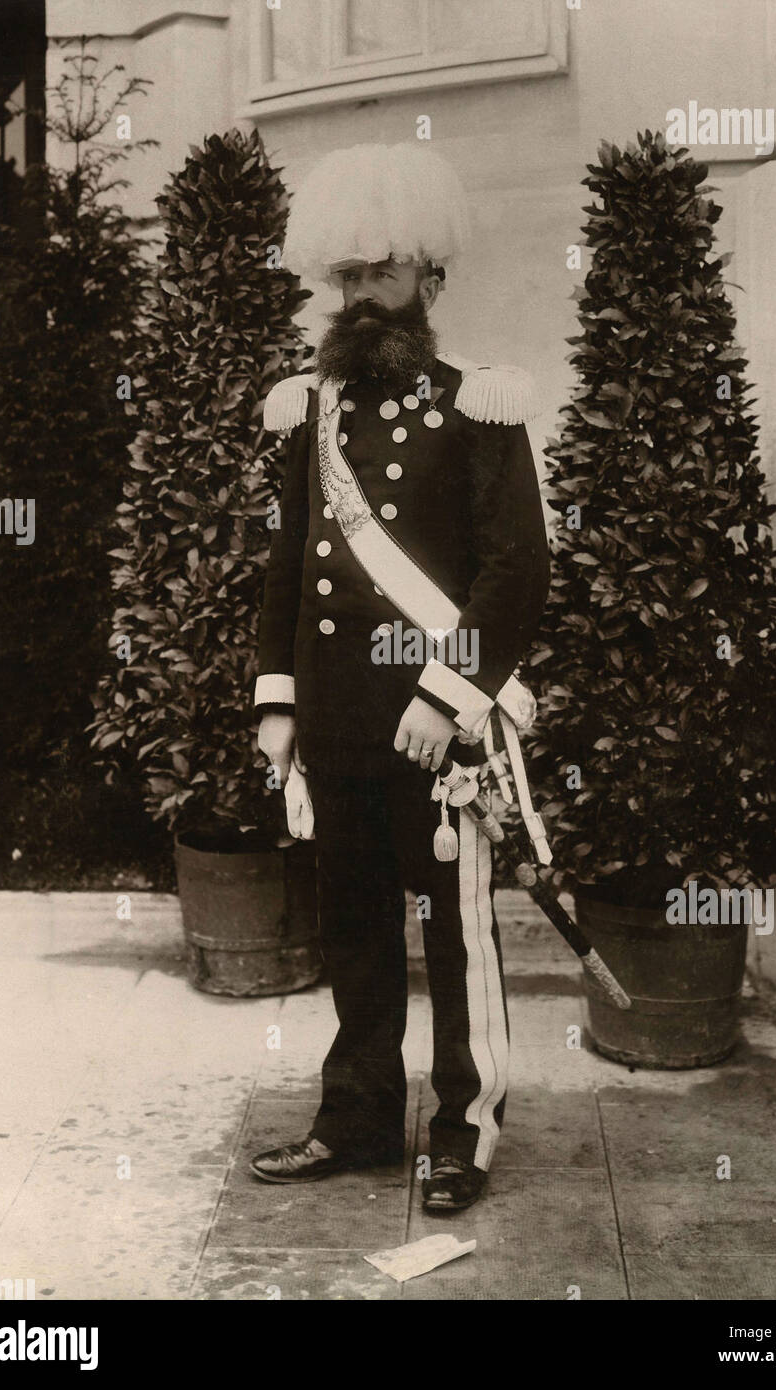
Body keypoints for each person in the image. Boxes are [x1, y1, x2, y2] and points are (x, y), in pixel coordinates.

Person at [250, 142, 550, 1212]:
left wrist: (444, 697)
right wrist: (276, 700)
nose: (358, 295)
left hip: (435, 729)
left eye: (379, 271)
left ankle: (463, 1130)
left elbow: (517, 576)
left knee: (458, 938)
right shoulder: (311, 415)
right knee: (354, 928)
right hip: (335, 723)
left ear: (430, 276)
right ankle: (362, 1116)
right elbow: (288, 564)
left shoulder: (481, 408)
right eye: (344, 276)